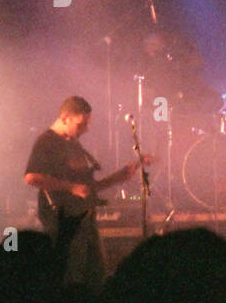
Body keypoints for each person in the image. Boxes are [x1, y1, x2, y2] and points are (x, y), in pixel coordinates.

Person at [24, 96, 141, 291]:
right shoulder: (47, 142)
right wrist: (71, 187)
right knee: (71, 277)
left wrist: (117, 178)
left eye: (87, 124)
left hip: (85, 220)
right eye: (81, 124)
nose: (85, 129)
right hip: (63, 221)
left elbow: (86, 188)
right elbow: (31, 177)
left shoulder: (74, 144)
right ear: (65, 118)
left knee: (96, 276)